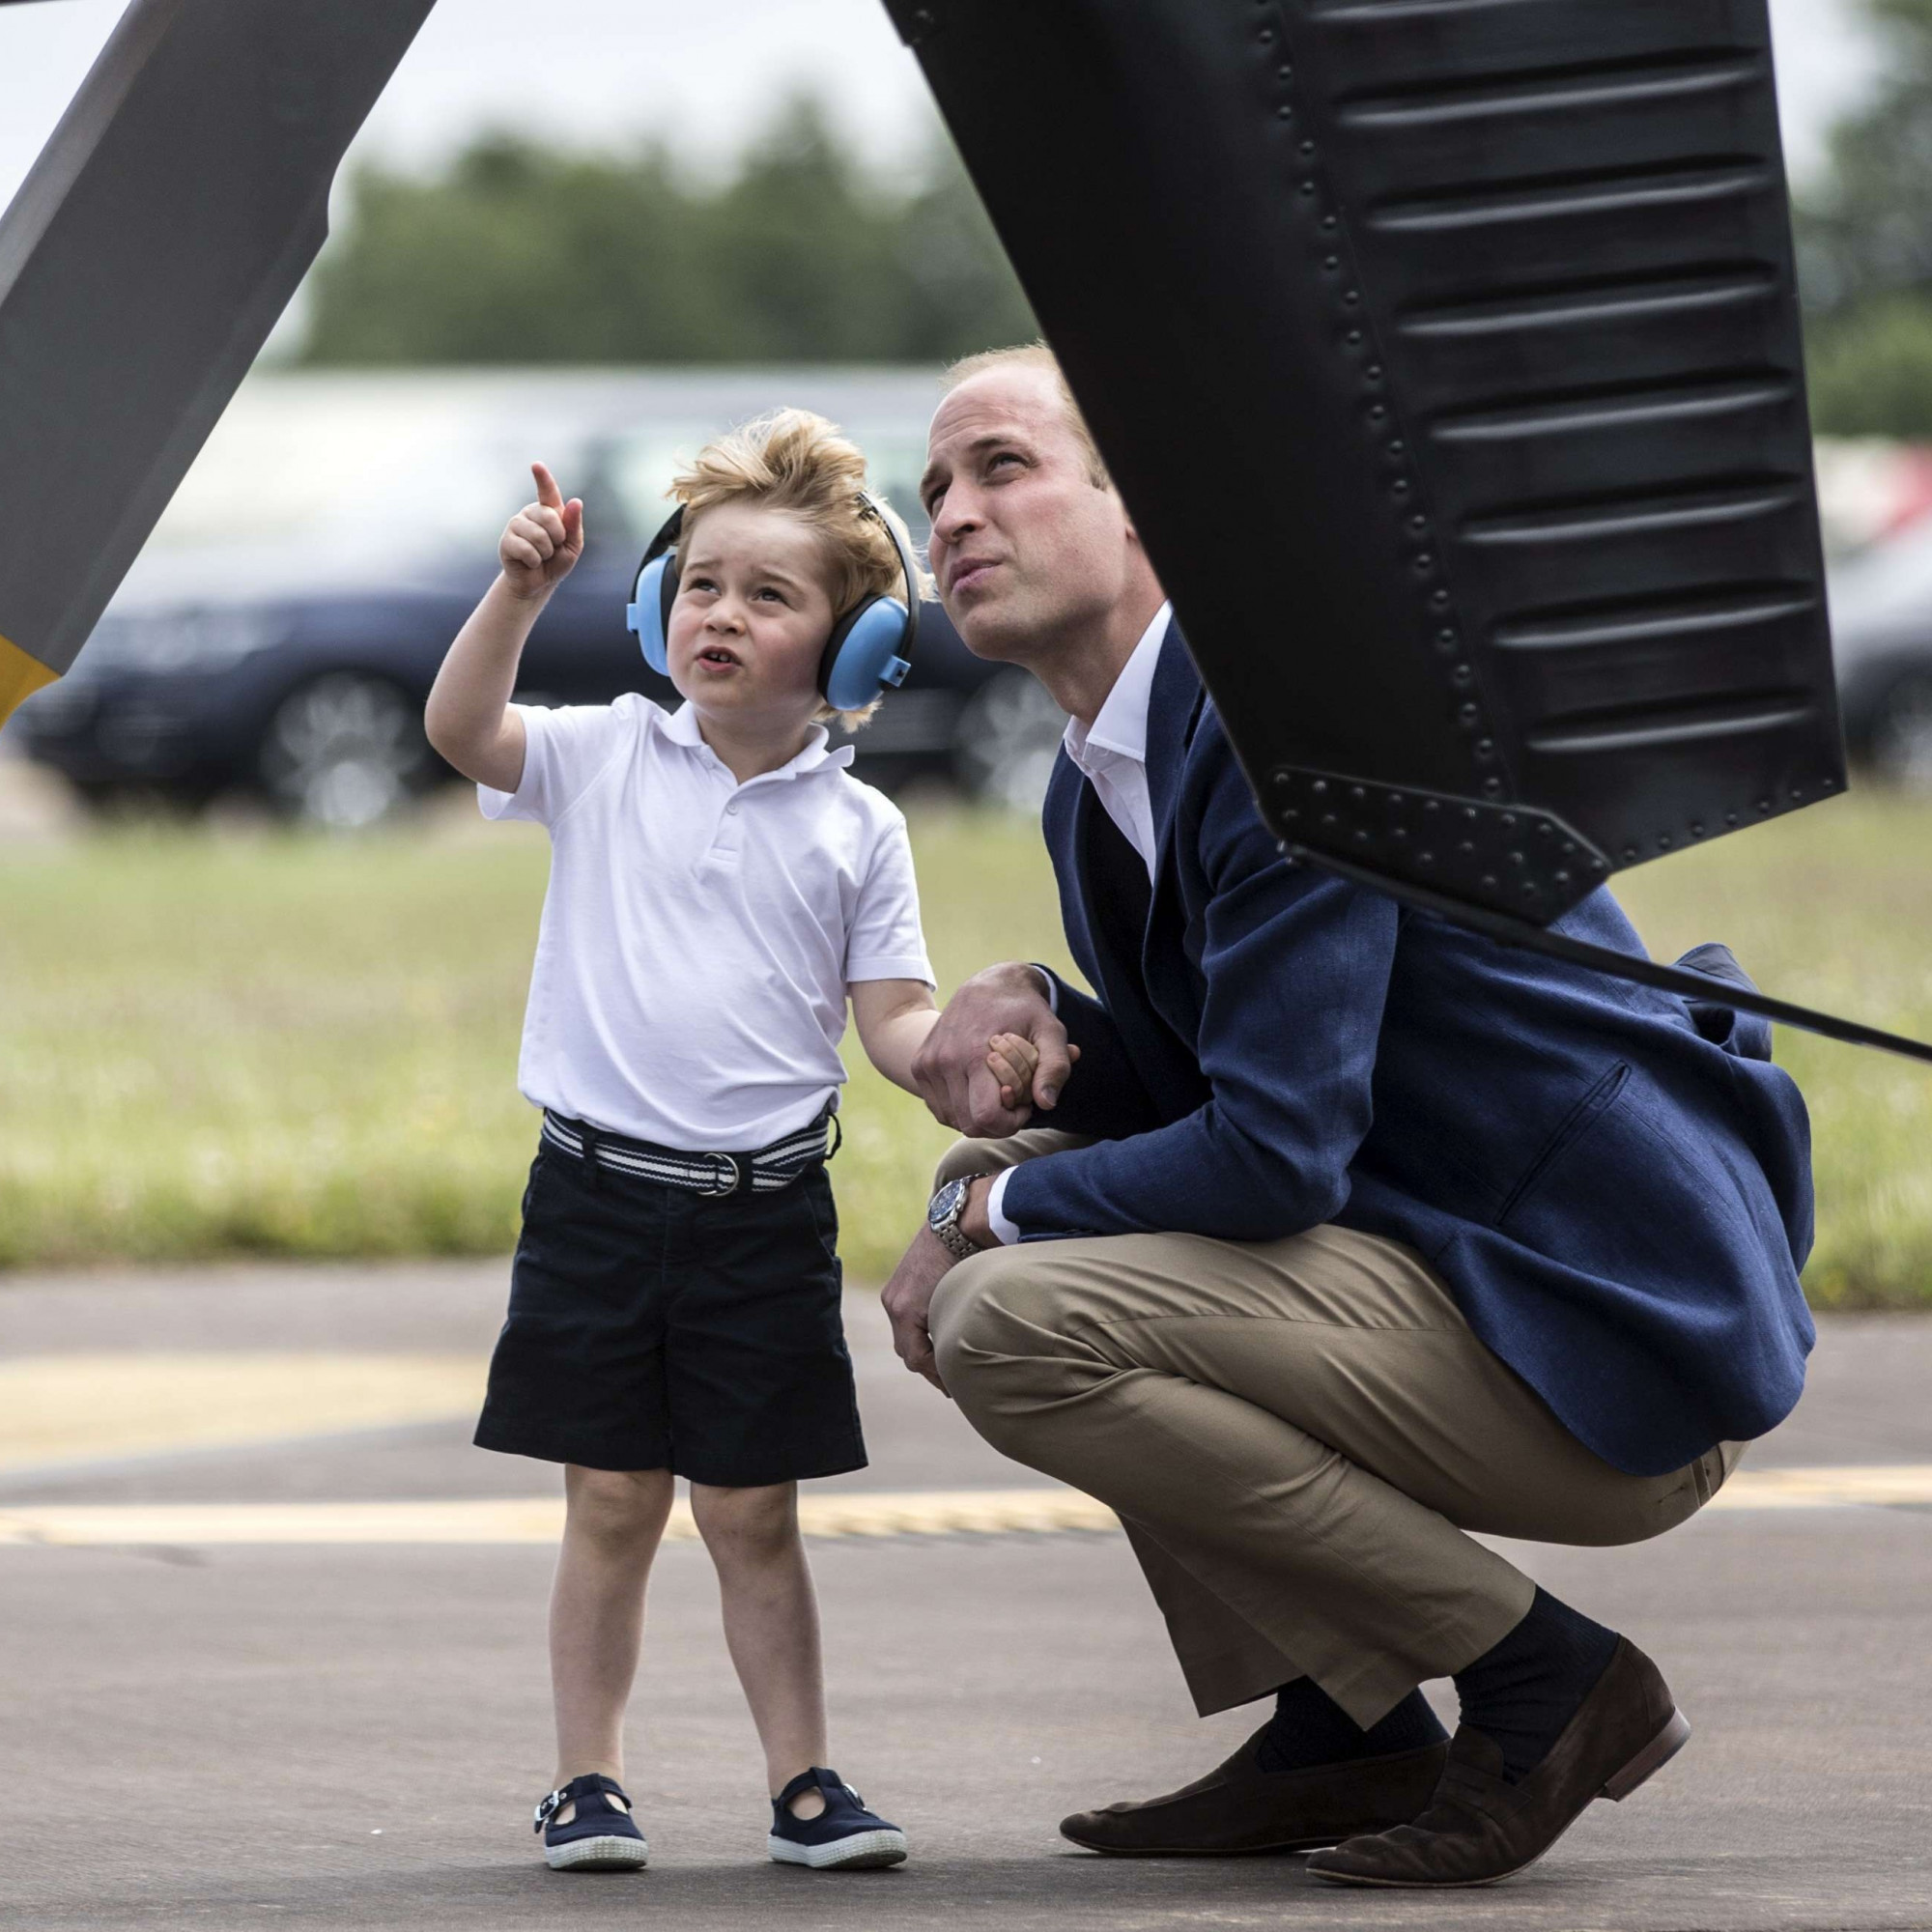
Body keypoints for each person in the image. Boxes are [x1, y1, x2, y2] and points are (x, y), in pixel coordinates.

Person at [880, 345, 1816, 1889]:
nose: (953, 520)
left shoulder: (1281, 730)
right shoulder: (1101, 775)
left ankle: (1544, 1679)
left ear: (1148, 515)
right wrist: (1045, 1042)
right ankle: (1347, 1724)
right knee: (1016, 1188)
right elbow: (1220, 1087)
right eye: (935, 491)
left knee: (1012, 1315)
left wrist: (974, 1217)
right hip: (1447, 1275)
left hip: (1605, 1328)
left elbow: (1273, 1157)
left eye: (1002, 467)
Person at [424, 411, 1037, 1875]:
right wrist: (515, 593)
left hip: (763, 1217)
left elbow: (891, 1023)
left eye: (772, 597)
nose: (722, 614)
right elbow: (461, 732)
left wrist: (963, 1068)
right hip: (594, 1198)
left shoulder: (859, 831)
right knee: (613, 1504)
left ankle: (805, 1780)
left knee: (756, 1515)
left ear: (858, 648)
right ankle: (587, 1779)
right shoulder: (600, 756)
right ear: (652, 604)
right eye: (701, 584)